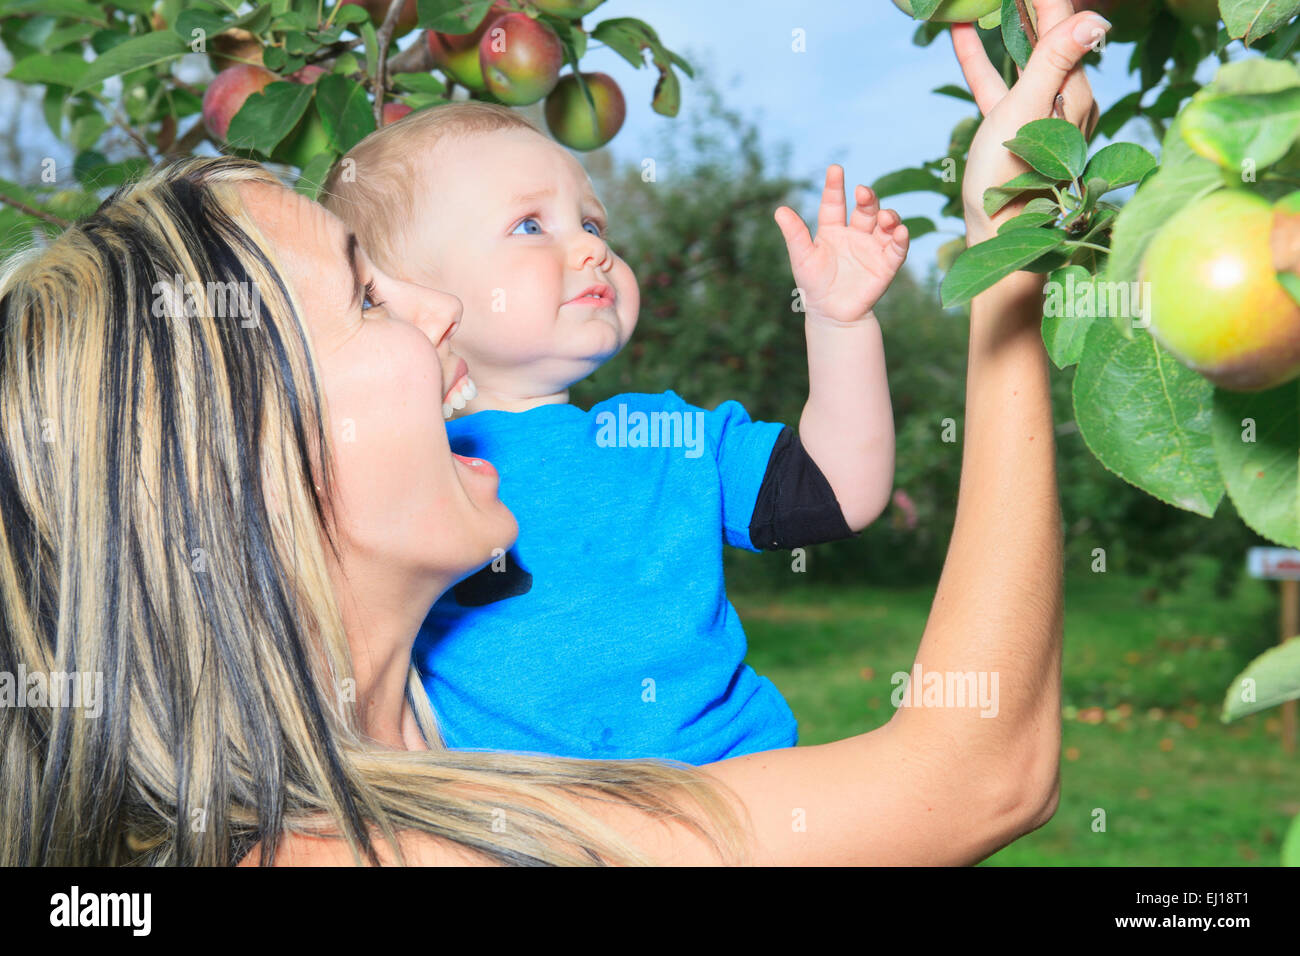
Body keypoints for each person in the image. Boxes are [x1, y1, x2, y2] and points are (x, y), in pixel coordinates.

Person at [0, 0, 1107, 865]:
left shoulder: (394, 761)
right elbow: (979, 771)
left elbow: (829, 485)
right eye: (369, 297)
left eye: (590, 221)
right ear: (235, 454)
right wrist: (1005, 258)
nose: (436, 319)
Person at [318, 96, 905, 765]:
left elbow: (839, 490)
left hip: (738, 795)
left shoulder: (661, 434)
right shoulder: (391, 473)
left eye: (593, 222)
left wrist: (839, 325)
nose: (591, 247)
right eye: (529, 225)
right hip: (537, 829)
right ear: (404, 296)